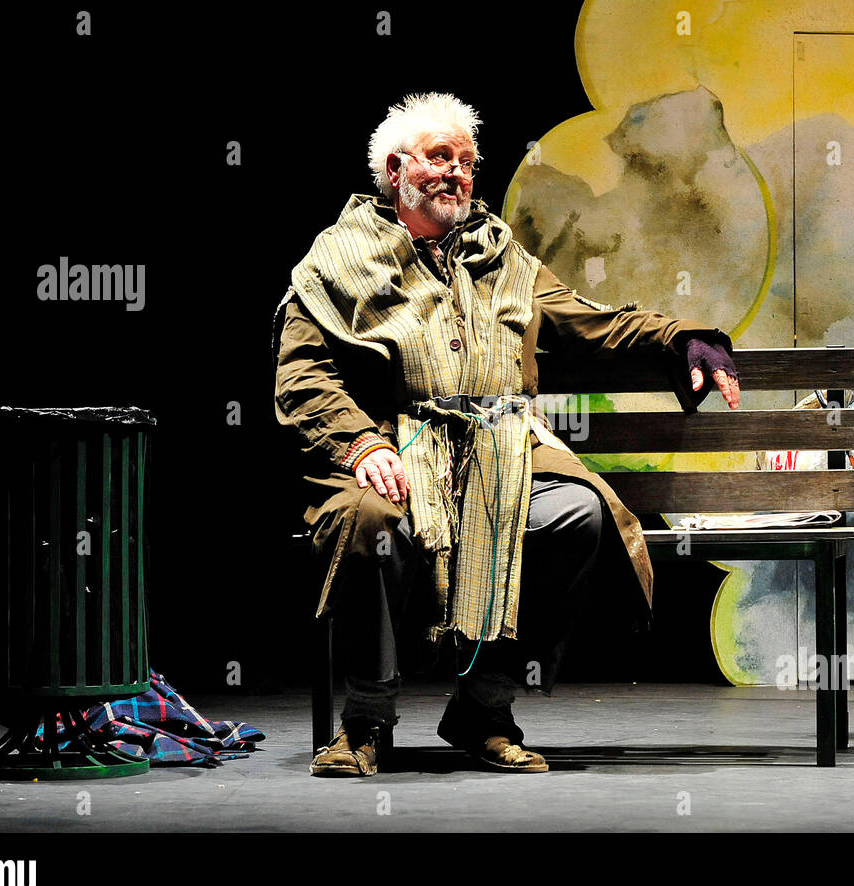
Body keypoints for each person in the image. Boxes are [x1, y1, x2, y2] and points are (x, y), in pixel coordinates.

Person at [273, 92, 740, 776]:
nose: (457, 172)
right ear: (397, 169)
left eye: (466, 161)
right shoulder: (338, 257)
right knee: (373, 521)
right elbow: (301, 370)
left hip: (498, 452)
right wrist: (360, 443)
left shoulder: (501, 257)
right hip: (391, 450)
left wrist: (683, 340)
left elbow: (592, 321)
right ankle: (366, 721)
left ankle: (484, 708)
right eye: (440, 157)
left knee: (575, 513)